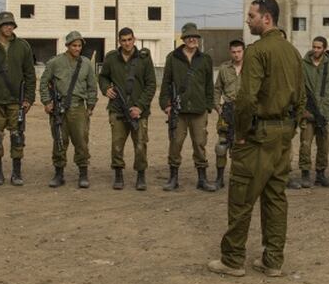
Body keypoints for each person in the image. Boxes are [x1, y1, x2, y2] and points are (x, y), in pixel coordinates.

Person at [208, 0, 304, 278]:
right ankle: (273, 261)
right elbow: (302, 97)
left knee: (241, 196)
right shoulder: (292, 52)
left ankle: (233, 259)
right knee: (275, 198)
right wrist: (290, 128)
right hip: (283, 136)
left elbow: (246, 99)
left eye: (251, 15)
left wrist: (241, 133)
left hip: (258, 136)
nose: (247, 20)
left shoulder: (257, 51)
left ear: (267, 19)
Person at [0, 11, 36, 186]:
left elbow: (30, 75)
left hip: (16, 101)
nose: (8, 27)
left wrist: (29, 98)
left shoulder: (23, 47)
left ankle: (16, 173)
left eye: (11, 24)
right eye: (5, 24)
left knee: (17, 136)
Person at [99, 27, 157, 191]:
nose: (127, 43)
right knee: (117, 144)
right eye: (123, 40)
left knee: (140, 144)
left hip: (139, 111)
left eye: (129, 39)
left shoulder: (144, 58)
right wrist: (105, 88)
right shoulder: (111, 58)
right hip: (117, 109)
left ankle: (140, 175)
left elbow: (151, 84)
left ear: (134, 39)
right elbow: (103, 76)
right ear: (119, 41)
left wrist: (140, 106)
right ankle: (118, 174)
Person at [159, 23, 215, 192]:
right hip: (178, 110)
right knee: (175, 143)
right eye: (189, 36)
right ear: (183, 39)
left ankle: (202, 179)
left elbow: (209, 85)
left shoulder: (205, 59)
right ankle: (173, 178)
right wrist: (166, 105)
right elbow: (166, 84)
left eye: (195, 36)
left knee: (200, 143)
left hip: (199, 110)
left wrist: (208, 106)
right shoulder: (172, 58)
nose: (193, 39)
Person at [40, 30, 98, 188]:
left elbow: (92, 86)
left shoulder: (86, 63)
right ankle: (59, 174)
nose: (77, 48)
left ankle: (83, 174)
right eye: (74, 45)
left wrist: (91, 105)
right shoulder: (55, 63)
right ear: (67, 46)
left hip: (78, 107)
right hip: (59, 108)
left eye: (79, 45)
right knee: (59, 140)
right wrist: (47, 102)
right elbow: (44, 82)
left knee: (81, 141)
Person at [292, 36, 329, 189]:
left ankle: (320, 174)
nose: (315, 50)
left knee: (324, 145)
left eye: (319, 47)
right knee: (305, 144)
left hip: (324, 112)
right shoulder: (302, 65)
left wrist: (327, 109)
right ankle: (305, 174)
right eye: (314, 47)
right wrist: (302, 109)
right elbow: (297, 88)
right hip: (307, 111)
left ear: (325, 49)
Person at [213, 40, 245, 191]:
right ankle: (219, 178)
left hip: (245, 113)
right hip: (227, 110)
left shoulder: (251, 68)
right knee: (221, 146)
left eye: (239, 51)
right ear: (229, 52)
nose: (236, 55)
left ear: (243, 51)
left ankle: (239, 179)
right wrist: (218, 107)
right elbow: (217, 88)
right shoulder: (224, 68)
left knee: (243, 146)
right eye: (233, 52)